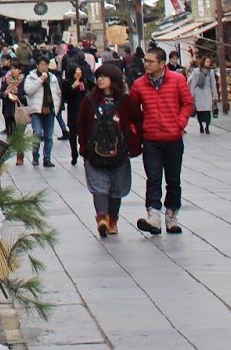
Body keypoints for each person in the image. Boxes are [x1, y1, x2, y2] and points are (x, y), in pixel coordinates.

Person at [128, 45, 193, 234]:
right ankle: (153, 216)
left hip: (173, 138)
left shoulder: (178, 80)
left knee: (173, 179)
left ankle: (171, 216)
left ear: (162, 64)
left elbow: (188, 103)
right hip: (151, 139)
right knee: (153, 178)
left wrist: (179, 124)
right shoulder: (139, 84)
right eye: (145, 61)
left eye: (150, 61)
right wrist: (136, 131)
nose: (146, 64)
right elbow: (132, 110)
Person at [76, 63, 143, 237]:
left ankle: (113, 219)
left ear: (114, 79)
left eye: (104, 76)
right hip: (95, 152)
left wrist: (135, 142)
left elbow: (138, 120)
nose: (100, 79)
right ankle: (102, 218)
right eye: (98, 76)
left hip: (120, 152)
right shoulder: (89, 100)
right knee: (99, 186)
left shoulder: (126, 101)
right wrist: (83, 147)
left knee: (116, 188)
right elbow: (81, 124)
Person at [24, 55, 64, 167]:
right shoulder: (31, 77)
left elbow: (58, 92)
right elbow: (28, 91)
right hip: (36, 110)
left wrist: (57, 105)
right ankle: (35, 156)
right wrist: (40, 79)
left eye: (46, 65)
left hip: (49, 109)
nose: (44, 67)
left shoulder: (53, 77)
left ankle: (47, 158)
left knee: (49, 136)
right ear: (37, 65)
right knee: (37, 134)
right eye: (41, 65)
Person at [64, 58, 91, 164]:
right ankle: (74, 154)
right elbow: (66, 97)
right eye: (76, 72)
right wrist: (72, 87)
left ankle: (85, 154)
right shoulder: (67, 82)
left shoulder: (84, 81)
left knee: (84, 134)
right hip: (73, 111)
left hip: (83, 111)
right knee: (73, 134)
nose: (78, 74)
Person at [2, 62, 27, 161]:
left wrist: (18, 96)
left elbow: (27, 95)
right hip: (9, 110)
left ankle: (19, 156)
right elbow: (0, 93)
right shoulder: (7, 81)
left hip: (20, 110)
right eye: (11, 69)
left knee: (20, 133)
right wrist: (5, 93)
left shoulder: (24, 81)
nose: (13, 71)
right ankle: (10, 153)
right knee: (10, 134)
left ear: (20, 70)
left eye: (15, 69)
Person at [188, 56, 217, 134]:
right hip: (198, 92)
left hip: (207, 92)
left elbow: (213, 84)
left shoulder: (210, 72)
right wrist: (191, 94)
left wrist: (215, 95)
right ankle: (201, 125)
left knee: (208, 110)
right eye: (207, 61)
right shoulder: (196, 71)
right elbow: (193, 83)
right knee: (199, 111)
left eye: (209, 62)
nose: (208, 63)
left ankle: (207, 127)